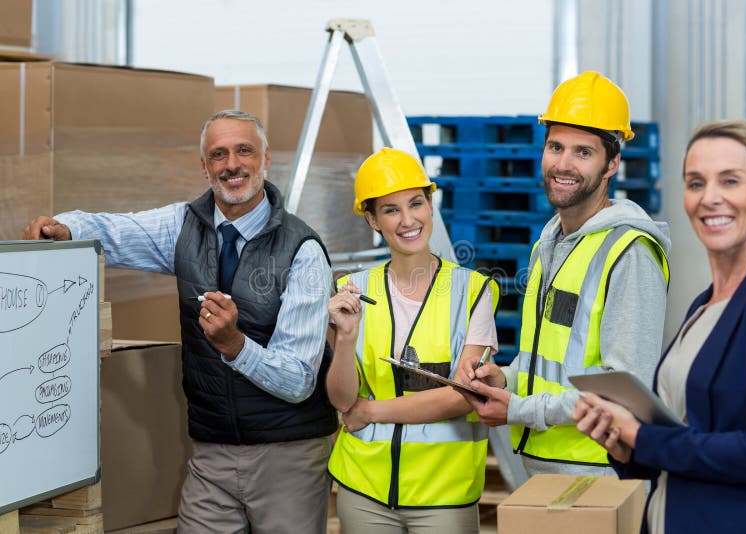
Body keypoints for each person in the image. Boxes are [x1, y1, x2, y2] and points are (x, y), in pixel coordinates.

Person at [22, 110, 338, 534]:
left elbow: (299, 379)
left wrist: (234, 345)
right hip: (211, 452)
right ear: (203, 166)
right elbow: (116, 231)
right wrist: (64, 227)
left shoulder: (302, 251)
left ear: (265, 158)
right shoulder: (182, 226)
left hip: (288, 455)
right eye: (218, 155)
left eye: (244, 151)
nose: (232, 165)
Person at [573, 120, 746, 533]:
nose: (710, 198)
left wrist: (642, 437)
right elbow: (691, 436)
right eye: (696, 183)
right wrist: (627, 450)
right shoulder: (704, 304)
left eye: (729, 181)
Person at [455, 71, 671, 478]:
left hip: (598, 471)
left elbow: (624, 390)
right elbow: (546, 358)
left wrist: (518, 409)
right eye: (555, 147)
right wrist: (505, 377)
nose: (563, 164)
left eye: (583, 152)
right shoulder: (548, 244)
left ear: (613, 163)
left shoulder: (630, 252)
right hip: (541, 464)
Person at [326, 147, 499, 534]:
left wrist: (370, 412)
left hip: (445, 493)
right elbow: (341, 400)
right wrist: (346, 337)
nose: (408, 220)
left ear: (430, 204)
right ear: (372, 218)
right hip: (363, 488)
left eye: (416, 203)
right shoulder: (353, 290)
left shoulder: (474, 291)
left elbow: (463, 395)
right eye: (391, 210)